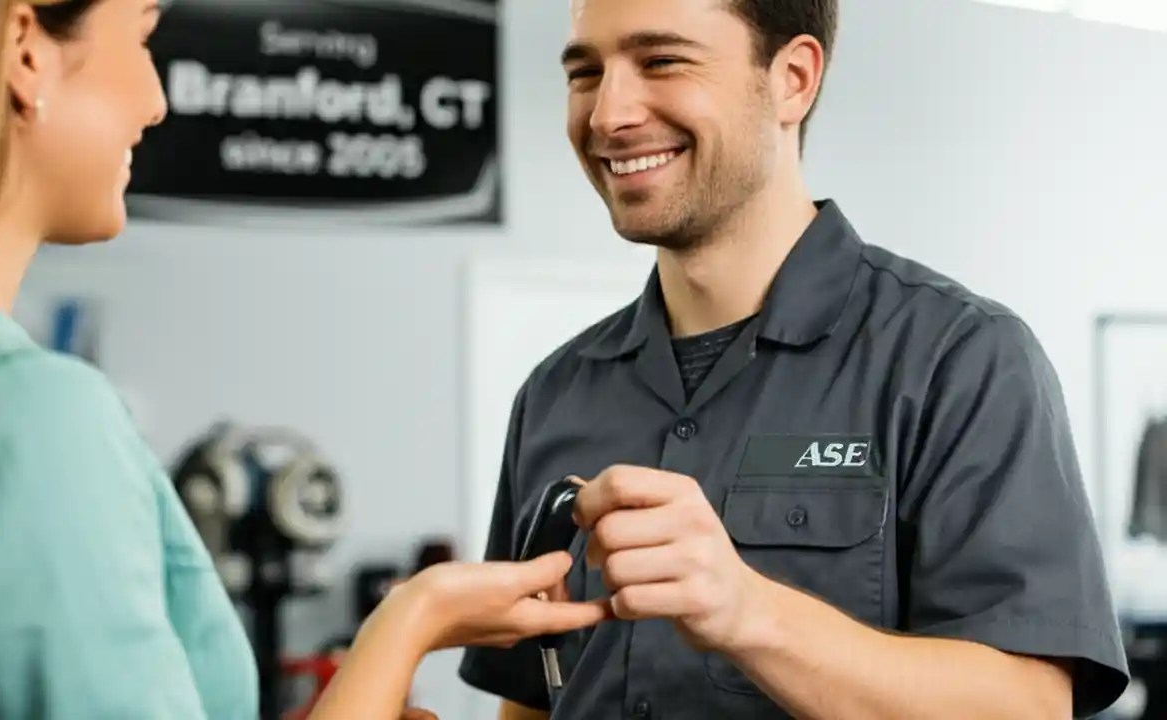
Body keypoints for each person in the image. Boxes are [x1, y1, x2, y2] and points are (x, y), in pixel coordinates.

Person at [0, 1, 606, 718]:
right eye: (143, 37)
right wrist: (409, 624)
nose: (157, 101)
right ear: (26, 51)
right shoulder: (23, 413)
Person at [459, 0, 1132, 718]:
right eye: (585, 72)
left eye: (661, 61)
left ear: (794, 79)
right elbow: (529, 700)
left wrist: (749, 611)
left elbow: (1028, 706)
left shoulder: (960, 362)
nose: (606, 114)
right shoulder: (555, 393)